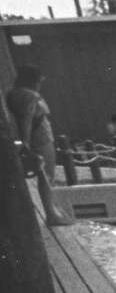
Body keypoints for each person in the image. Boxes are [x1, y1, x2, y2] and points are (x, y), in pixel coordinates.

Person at [5, 64, 70, 225]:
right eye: (39, 80)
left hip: (36, 136)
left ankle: (52, 211)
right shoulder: (30, 96)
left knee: (44, 175)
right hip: (41, 138)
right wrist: (25, 142)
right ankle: (51, 215)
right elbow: (26, 119)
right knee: (47, 175)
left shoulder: (11, 93)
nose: (40, 83)